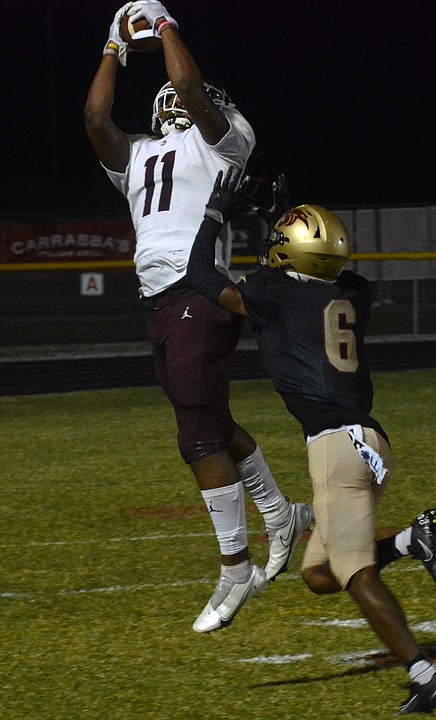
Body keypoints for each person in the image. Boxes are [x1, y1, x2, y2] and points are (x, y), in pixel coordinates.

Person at [185, 168, 436, 714]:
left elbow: (198, 274)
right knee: (317, 574)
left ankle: (426, 677)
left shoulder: (273, 293)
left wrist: (216, 213)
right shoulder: (356, 292)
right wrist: (276, 219)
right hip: (372, 441)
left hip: (336, 448)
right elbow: (311, 276)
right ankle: (411, 541)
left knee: (355, 575)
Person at [84, 0, 314, 635]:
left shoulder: (225, 142)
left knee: (196, 436)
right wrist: (111, 47)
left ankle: (235, 567)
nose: (181, 101)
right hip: (157, 300)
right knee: (211, 419)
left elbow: (187, 84)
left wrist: (164, 27)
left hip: (199, 294)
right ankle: (282, 515)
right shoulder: (138, 155)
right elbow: (95, 116)